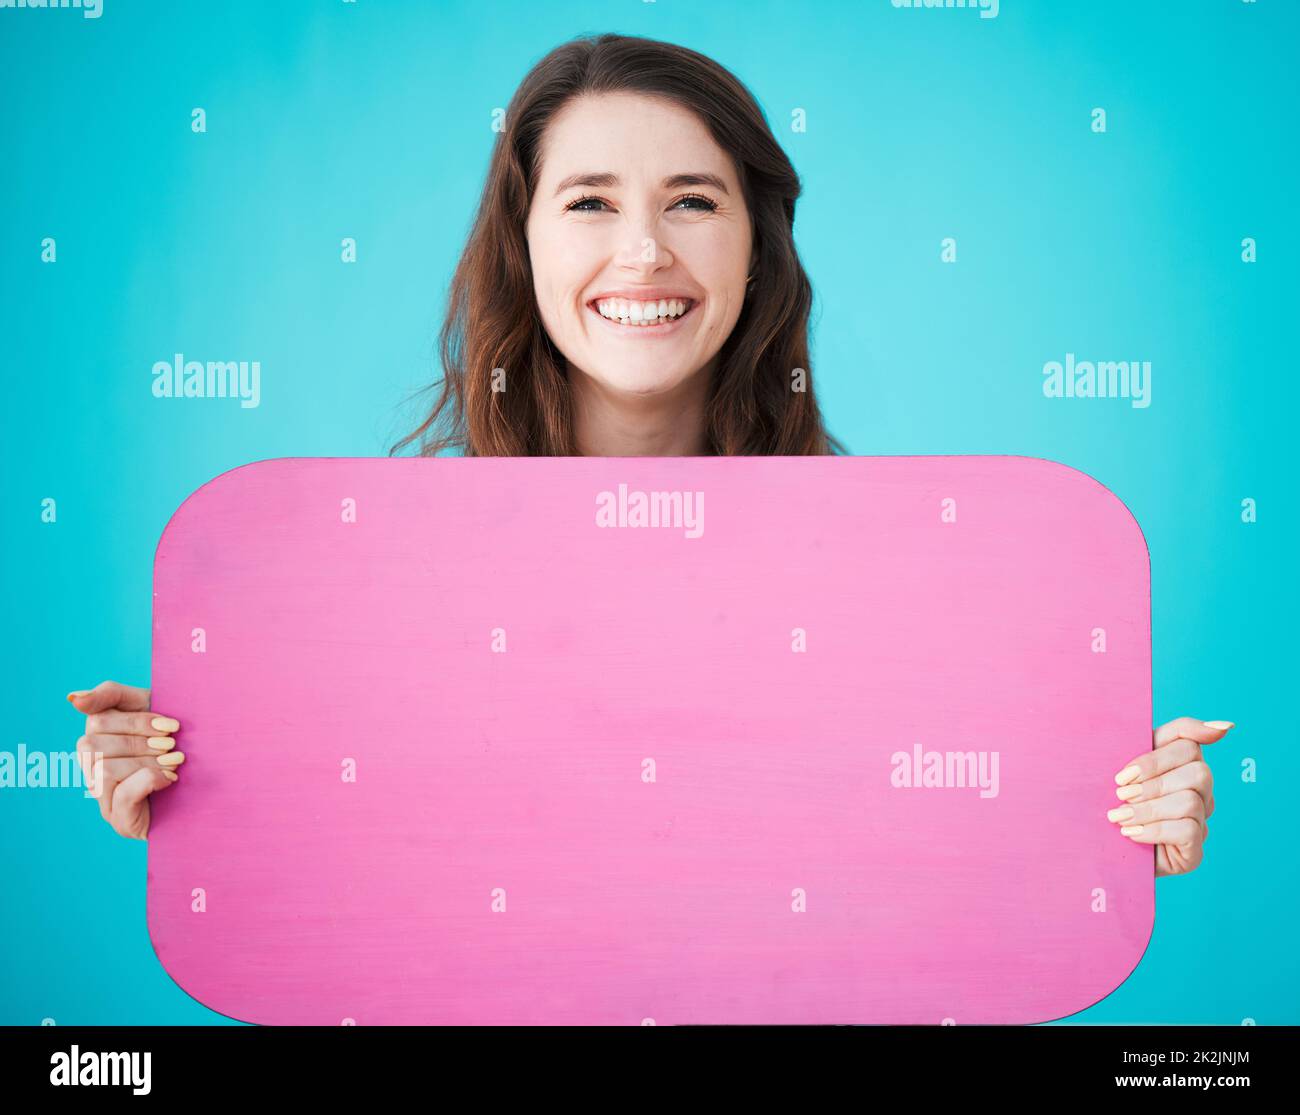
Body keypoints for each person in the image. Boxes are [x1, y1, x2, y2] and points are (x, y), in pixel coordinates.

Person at [68, 32, 1230, 876]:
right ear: (521, 248)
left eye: (691, 200)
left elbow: (916, 868)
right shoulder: (378, 591)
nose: (642, 251)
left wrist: (1114, 813)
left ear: (755, 249)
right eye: (586, 202)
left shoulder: (894, 585)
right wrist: (185, 784)